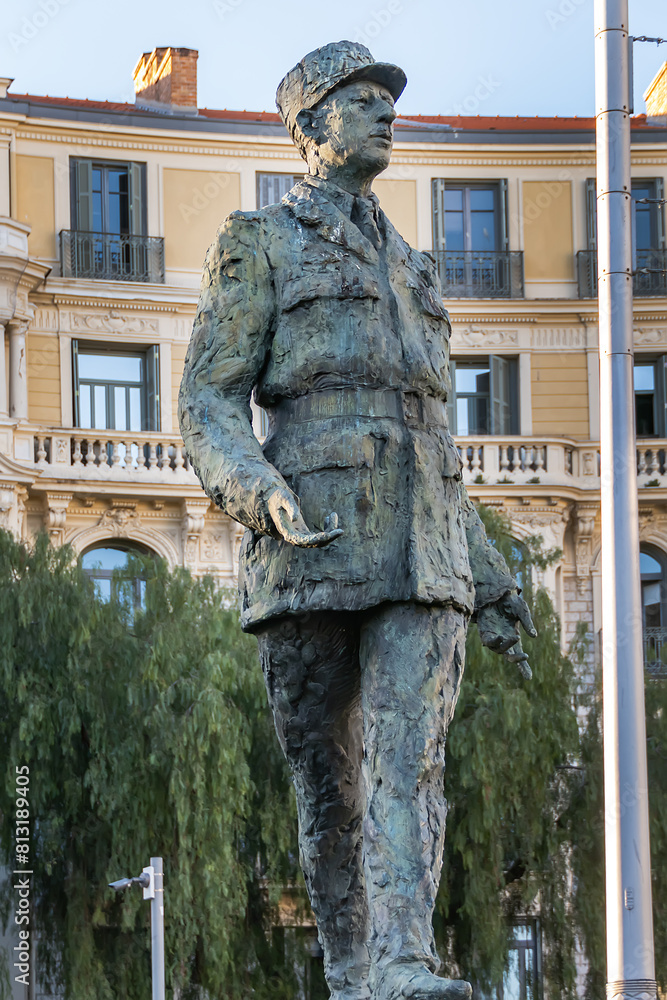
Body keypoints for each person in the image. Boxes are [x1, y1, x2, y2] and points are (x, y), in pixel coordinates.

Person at [179, 40, 537, 1000]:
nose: (384, 111)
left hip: (424, 550)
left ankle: (404, 961)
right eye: (361, 98)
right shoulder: (258, 242)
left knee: (406, 755)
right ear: (308, 127)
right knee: (327, 781)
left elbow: (437, 441)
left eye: (388, 98)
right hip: (309, 548)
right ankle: (351, 968)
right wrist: (256, 490)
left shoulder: (418, 271)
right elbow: (209, 401)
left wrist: (492, 578)